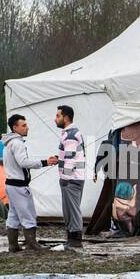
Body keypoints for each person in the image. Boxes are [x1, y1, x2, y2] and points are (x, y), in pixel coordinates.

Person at [1, 114, 55, 252]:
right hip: (18, 186)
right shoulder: (17, 143)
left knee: (13, 215)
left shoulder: (8, 143)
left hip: (11, 184)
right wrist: (45, 162)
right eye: (23, 125)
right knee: (28, 214)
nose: (27, 128)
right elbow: (23, 162)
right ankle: (31, 244)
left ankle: (13, 245)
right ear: (15, 127)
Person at [52, 104, 86, 249]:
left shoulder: (70, 135)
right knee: (69, 210)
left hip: (71, 179)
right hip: (72, 178)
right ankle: (71, 238)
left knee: (72, 209)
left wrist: (65, 178)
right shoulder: (69, 134)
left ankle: (76, 240)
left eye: (58, 116)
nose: (55, 119)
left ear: (66, 118)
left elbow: (71, 158)